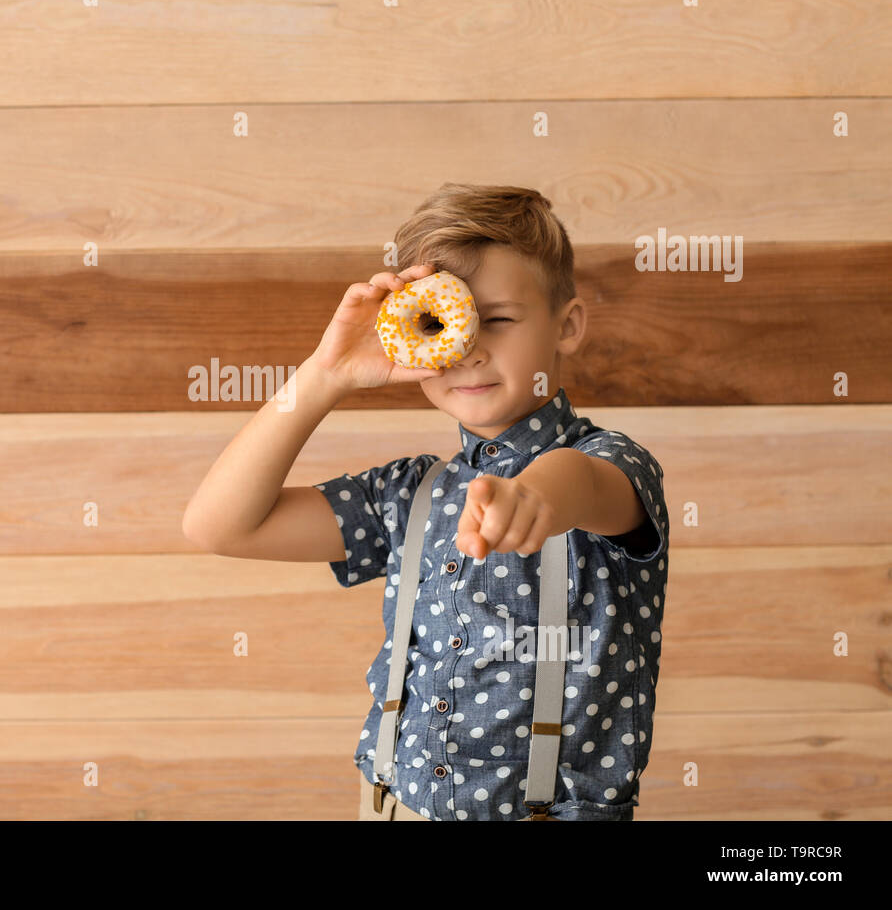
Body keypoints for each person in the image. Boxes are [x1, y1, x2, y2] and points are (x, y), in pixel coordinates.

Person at [182, 183, 669, 820]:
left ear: (567, 325)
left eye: (496, 319)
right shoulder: (410, 495)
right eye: (442, 323)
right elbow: (220, 526)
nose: (468, 349)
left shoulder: (616, 465)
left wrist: (535, 494)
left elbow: (579, 484)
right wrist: (324, 374)